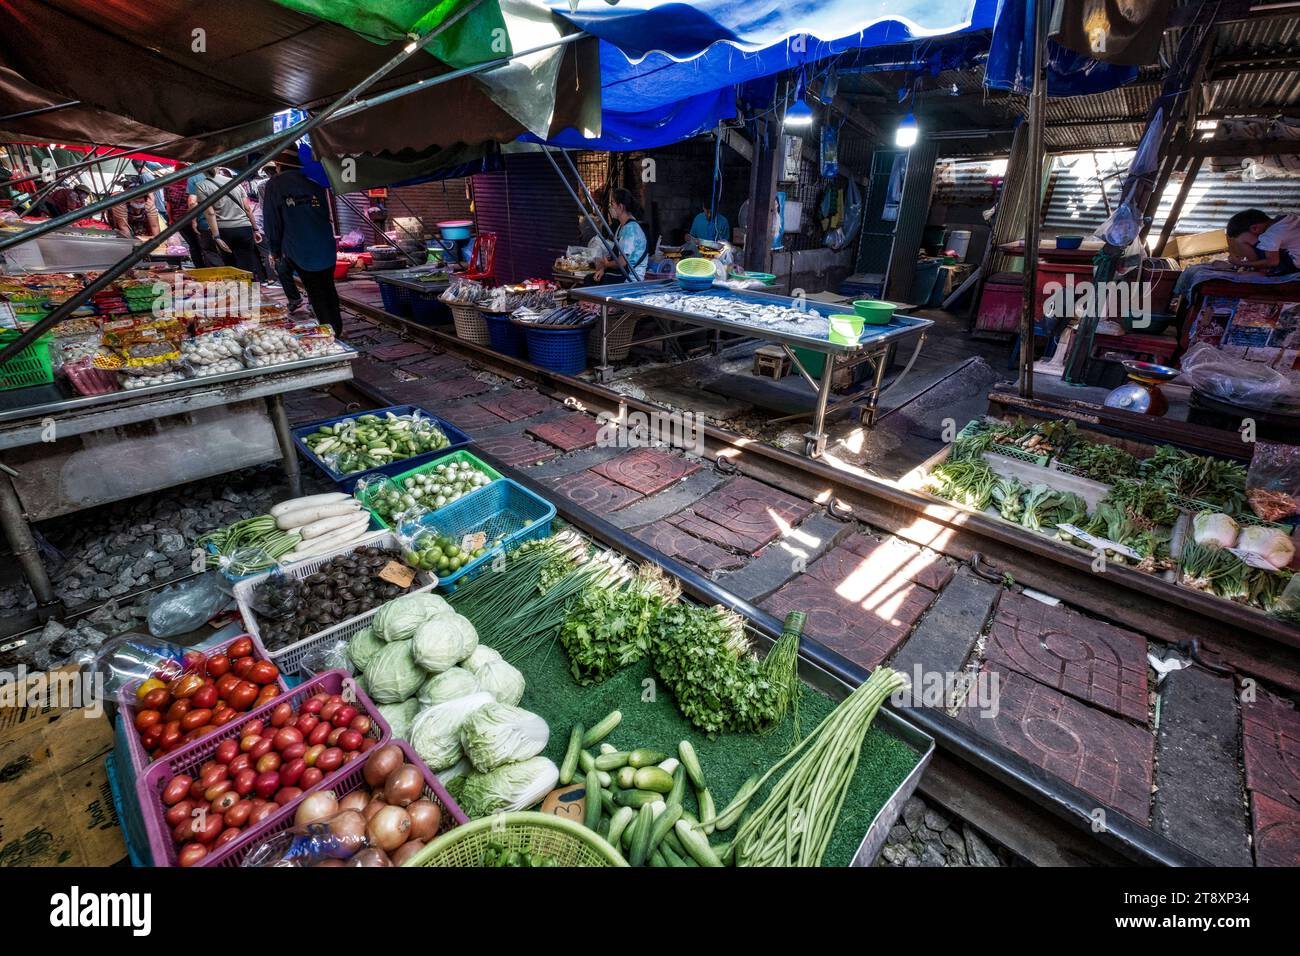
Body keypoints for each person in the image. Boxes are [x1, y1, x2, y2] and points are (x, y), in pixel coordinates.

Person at [262, 165, 342, 335]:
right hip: (325, 243)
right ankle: (335, 327)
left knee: (316, 291)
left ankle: (331, 332)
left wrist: (274, 250)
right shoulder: (316, 176)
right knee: (328, 288)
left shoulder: (276, 183)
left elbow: (272, 222)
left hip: (299, 246)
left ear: (278, 164)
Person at [194, 167, 262, 276]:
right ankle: (249, 291)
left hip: (224, 230)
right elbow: (247, 209)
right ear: (218, 167)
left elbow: (210, 213)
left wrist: (216, 236)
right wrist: (255, 229)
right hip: (244, 228)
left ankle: (236, 292)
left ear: (202, 170)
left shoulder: (201, 185)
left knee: (231, 265)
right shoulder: (234, 182)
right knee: (247, 265)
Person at [593, 187, 647, 283]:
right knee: (592, 278)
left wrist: (607, 264)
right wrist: (603, 269)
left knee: (590, 281)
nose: (610, 207)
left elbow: (622, 262)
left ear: (621, 207)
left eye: (612, 203)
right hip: (621, 273)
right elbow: (616, 255)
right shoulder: (621, 227)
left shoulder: (630, 229)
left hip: (630, 278)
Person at [1225, 208, 1300, 276]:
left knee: (1240, 239)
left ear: (1254, 228)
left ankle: (1260, 270)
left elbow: (1273, 261)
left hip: (1295, 265)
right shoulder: (1288, 217)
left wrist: (1241, 263)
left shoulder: (1270, 235)